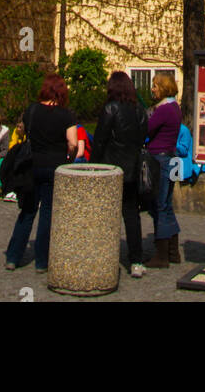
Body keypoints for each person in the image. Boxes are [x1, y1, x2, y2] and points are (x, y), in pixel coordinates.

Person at [5, 75, 78, 272]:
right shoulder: (66, 115)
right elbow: (73, 143)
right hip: (54, 166)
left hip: (32, 164)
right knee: (47, 214)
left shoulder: (32, 110)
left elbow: (25, 132)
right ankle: (42, 261)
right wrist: (69, 157)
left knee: (27, 211)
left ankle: (13, 256)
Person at [92, 70, 149, 277]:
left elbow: (100, 140)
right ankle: (136, 260)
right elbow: (143, 136)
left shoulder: (110, 108)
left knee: (108, 215)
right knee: (131, 215)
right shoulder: (139, 110)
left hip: (110, 168)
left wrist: (93, 164)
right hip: (132, 170)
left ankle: (104, 257)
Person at [145, 71, 182, 268]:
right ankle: (172, 251)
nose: (153, 89)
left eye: (155, 86)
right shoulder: (175, 107)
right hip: (170, 157)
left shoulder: (164, 109)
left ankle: (162, 255)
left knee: (159, 205)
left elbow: (148, 128)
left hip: (160, 159)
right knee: (166, 204)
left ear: (163, 88)